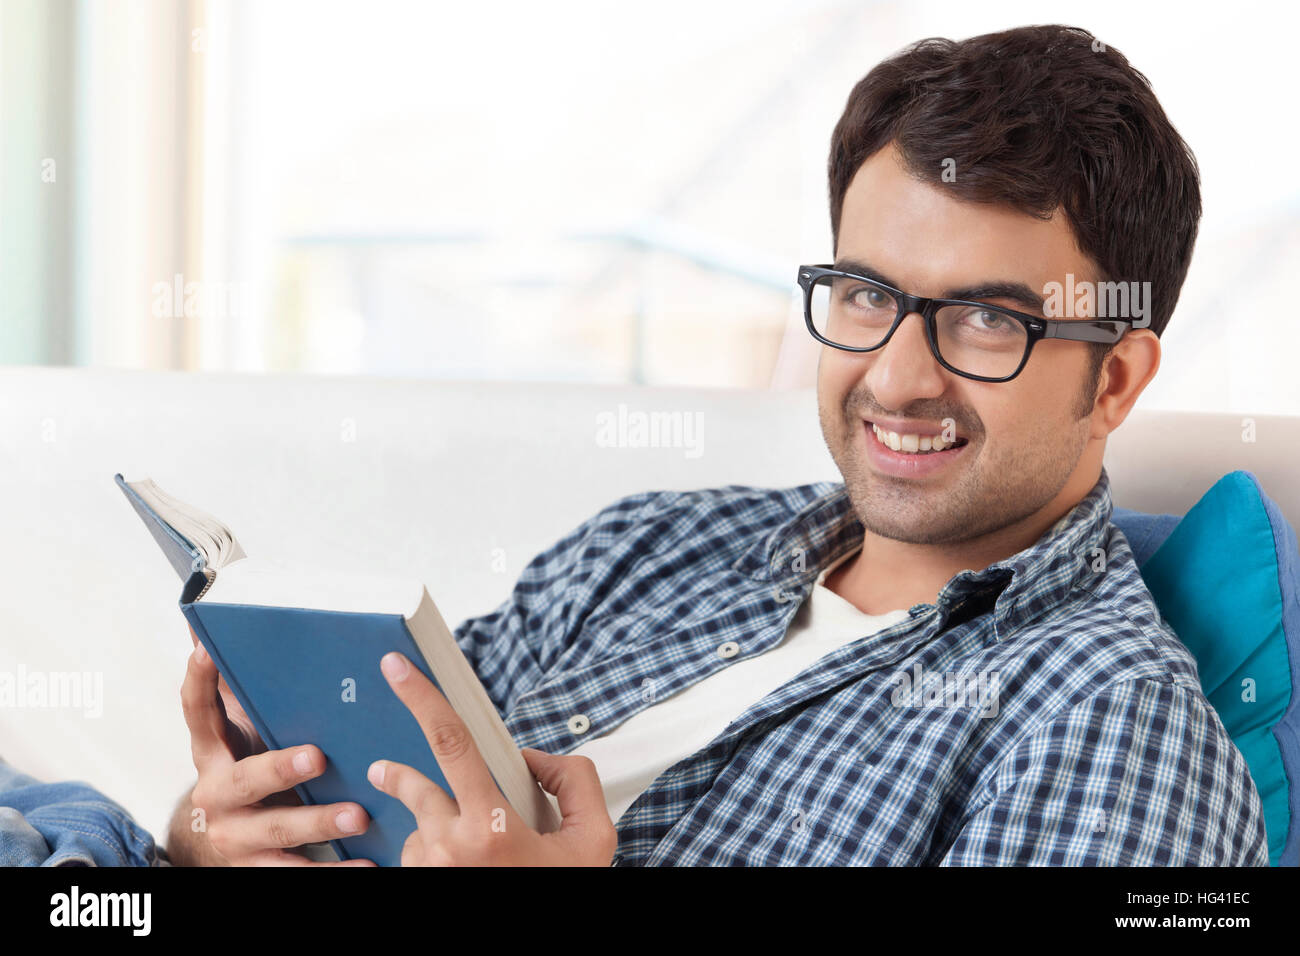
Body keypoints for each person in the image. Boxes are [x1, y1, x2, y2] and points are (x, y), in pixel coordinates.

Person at [90, 23, 1280, 866]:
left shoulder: (1109, 723)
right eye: (865, 293)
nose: (897, 377)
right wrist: (215, 838)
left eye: (985, 319)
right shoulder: (655, 543)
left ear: (1112, 375)